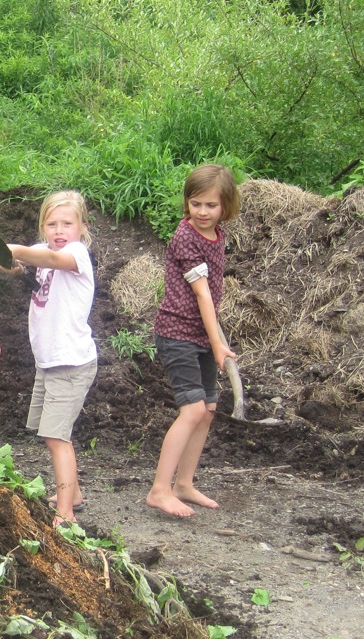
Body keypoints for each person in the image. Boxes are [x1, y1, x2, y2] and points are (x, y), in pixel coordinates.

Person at [0, 191, 97, 526]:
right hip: (49, 360)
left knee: (57, 437)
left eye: (67, 224)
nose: (59, 230)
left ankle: (65, 513)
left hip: (70, 362)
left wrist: (14, 250)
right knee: (50, 433)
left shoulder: (77, 253)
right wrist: (9, 262)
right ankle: (75, 494)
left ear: (82, 227)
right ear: (43, 227)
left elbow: (51, 261)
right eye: (51, 224)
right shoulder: (43, 251)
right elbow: (21, 264)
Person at [146, 164, 240, 517]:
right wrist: (218, 344)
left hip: (200, 333)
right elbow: (202, 294)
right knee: (192, 410)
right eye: (196, 203)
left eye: (211, 206)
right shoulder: (185, 237)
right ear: (187, 203)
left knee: (208, 411)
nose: (202, 212)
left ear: (225, 207)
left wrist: (212, 337)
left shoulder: (219, 236)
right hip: (178, 333)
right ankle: (159, 489)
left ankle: (183, 484)